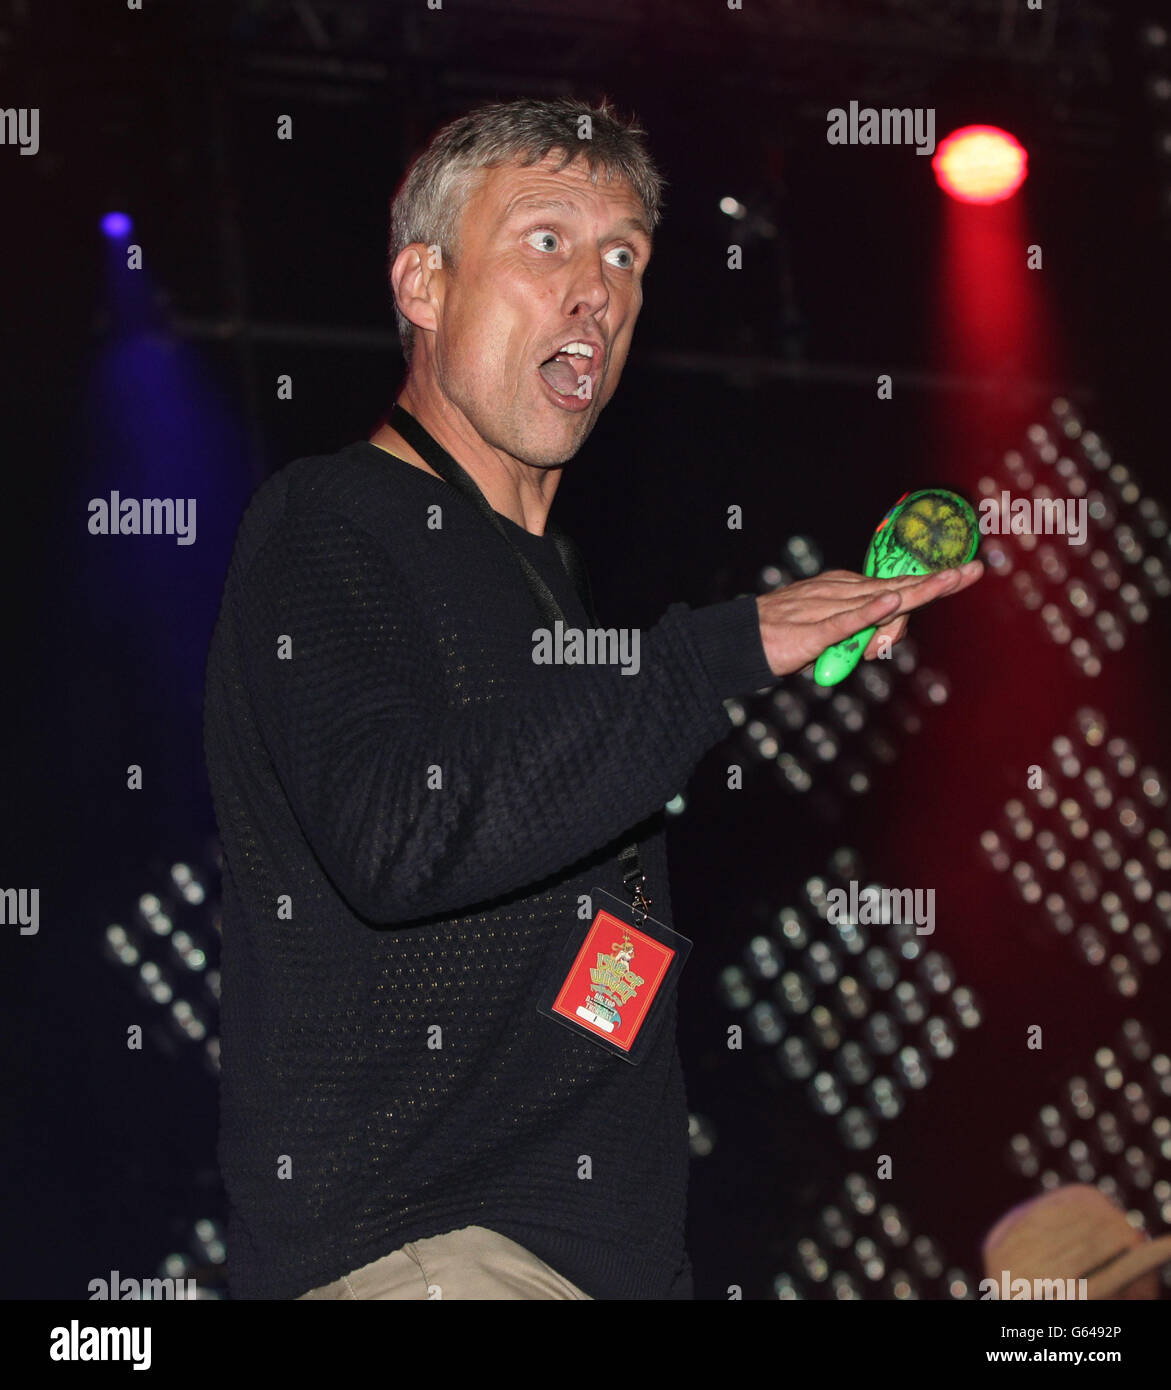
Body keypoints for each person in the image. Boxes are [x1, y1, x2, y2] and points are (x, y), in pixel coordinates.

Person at [202, 96, 983, 1302]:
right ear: (422, 283)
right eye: (546, 240)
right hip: (426, 1257)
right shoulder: (330, 520)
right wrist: (712, 656)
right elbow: (396, 836)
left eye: (624, 254)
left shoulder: (549, 585)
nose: (597, 288)